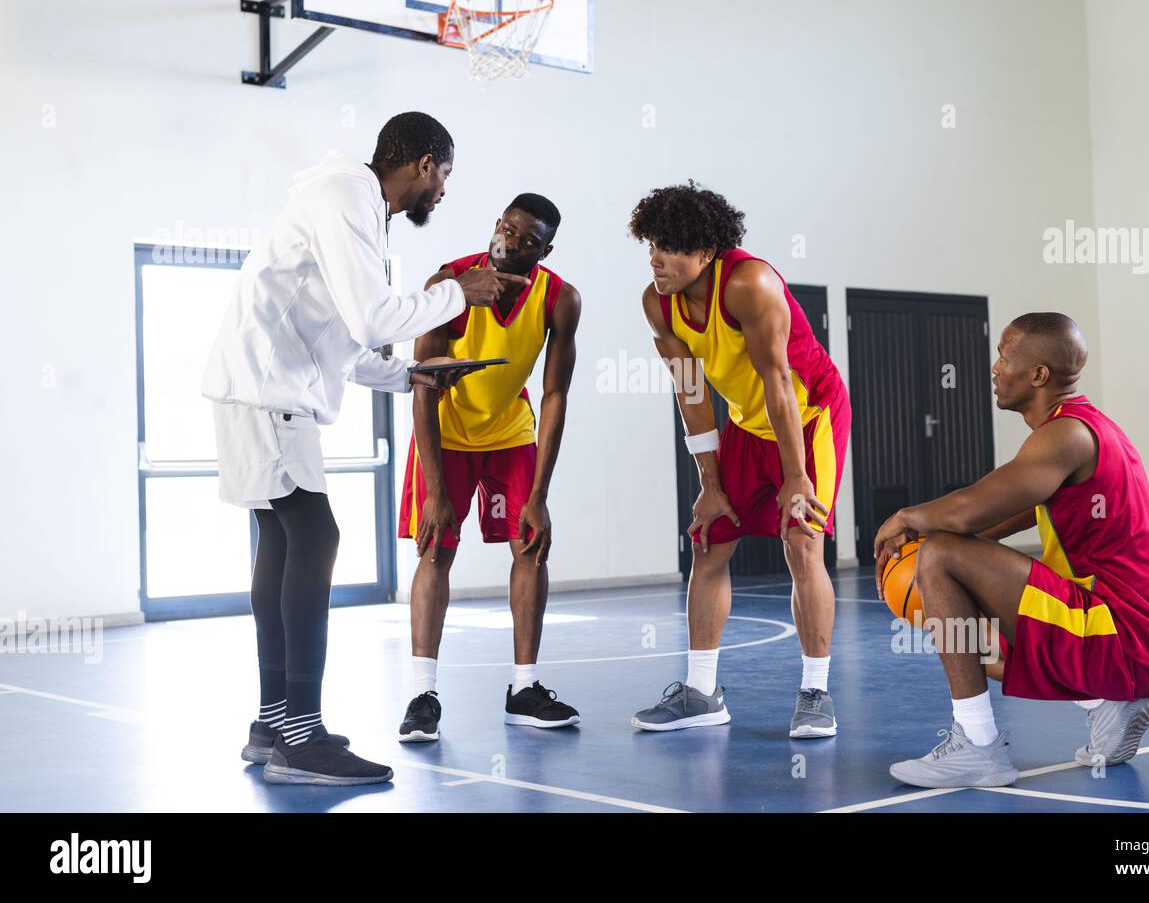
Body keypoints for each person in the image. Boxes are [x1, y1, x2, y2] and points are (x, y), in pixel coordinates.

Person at [202, 112, 527, 785]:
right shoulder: (347, 194)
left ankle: (273, 723)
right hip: (269, 388)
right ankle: (302, 734)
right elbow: (376, 318)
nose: (442, 193)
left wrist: (411, 374)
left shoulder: (350, 206)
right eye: (444, 176)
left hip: (258, 386)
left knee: (284, 540)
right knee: (314, 536)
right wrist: (455, 293)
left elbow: (348, 344)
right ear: (420, 162)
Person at [875, 312, 1149, 788]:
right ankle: (1109, 701)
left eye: (1004, 356)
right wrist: (934, 579)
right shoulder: (1086, 428)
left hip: (1119, 633)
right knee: (955, 618)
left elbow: (968, 512)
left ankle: (977, 747)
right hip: (1140, 639)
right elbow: (997, 519)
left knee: (939, 557)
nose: (995, 368)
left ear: (1039, 374)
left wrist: (904, 520)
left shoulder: (1064, 437)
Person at [627, 182, 851, 738]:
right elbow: (691, 390)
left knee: (801, 542)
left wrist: (797, 478)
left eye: (672, 247)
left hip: (807, 415)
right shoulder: (659, 303)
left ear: (707, 252)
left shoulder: (750, 284)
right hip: (747, 423)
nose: (657, 257)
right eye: (652, 243)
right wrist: (710, 481)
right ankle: (702, 692)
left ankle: (816, 693)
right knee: (710, 537)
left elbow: (778, 383)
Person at [396, 193, 582, 740]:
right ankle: (422, 695)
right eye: (508, 228)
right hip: (446, 432)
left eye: (529, 240)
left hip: (508, 432)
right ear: (497, 224)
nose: (511, 243)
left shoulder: (559, 298)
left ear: (545, 249)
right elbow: (423, 388)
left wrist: (540, 494)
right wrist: (434, 491)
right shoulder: (449, 284)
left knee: (530, 544)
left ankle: (524, 689)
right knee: (436, 549)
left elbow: (555, 396)